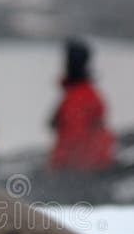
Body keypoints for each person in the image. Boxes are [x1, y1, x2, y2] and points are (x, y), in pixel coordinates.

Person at [49, 38, 114, 170]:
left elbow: (75, 139)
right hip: (87, 167)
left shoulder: (78, 98)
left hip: (77, 170)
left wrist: (62, 170)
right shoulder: (86, 94)